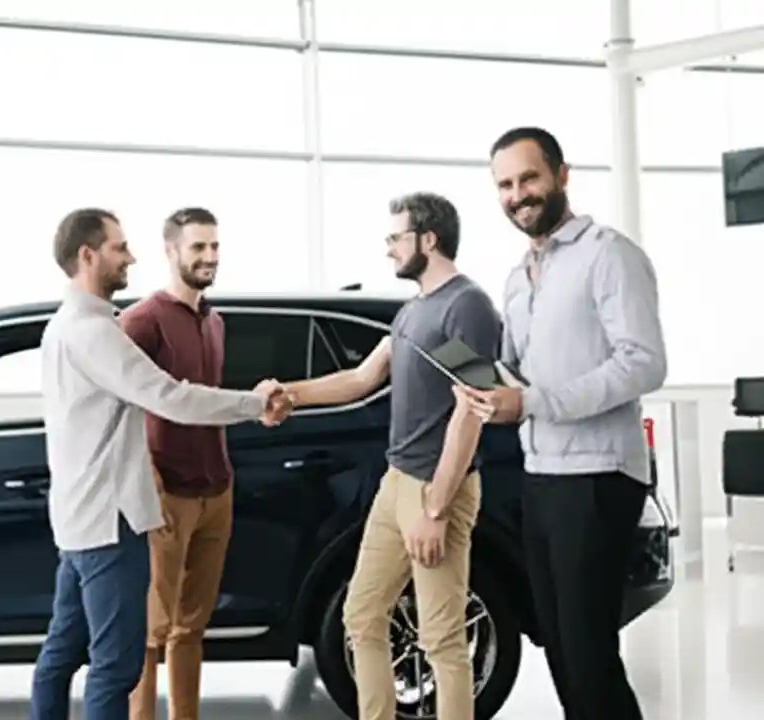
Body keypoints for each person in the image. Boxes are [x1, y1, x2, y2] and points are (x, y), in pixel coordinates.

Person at [30, 207, 290, 720]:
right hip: (110, 525)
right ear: (88, 255)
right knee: (117, 666)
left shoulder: (63, 328)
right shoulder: (97, 334)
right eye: (119, 247)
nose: (130, 256)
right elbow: (170, 397)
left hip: (80, 522)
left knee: (61, 655)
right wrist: (252, 403)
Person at [458, 127, 667, 720]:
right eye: (505, 184)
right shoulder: (517, 278)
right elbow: (520, 371)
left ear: (562, 176)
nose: (518, 194)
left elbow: (644, 362)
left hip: (599, 475)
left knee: (588, 650)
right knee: (560, 649)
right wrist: (485, 380)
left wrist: (532, 403)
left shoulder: (609, 254)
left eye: (529, 178)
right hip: (542, 475)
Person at [283, 192, 501, 720]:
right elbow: (362, 378)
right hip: (396, 482)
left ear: (429, 239)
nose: (388, 249)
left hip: (435, 489)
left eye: (395, 237)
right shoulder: (414, 313)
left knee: (442, 639)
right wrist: (290, 394)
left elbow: (470, 412)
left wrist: (436, 509)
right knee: (361, 616)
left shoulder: (465, 307)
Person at [117, 208, 281, 720]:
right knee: (150, 629)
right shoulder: (141, 321)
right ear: (171, 252)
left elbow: (208, 402)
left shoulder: (215, 320)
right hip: (166, 492)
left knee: (191, 627)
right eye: (198, 248)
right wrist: (145, 477)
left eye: (214, 247)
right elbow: (116, 405)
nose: (209, 257)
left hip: (217, 490)